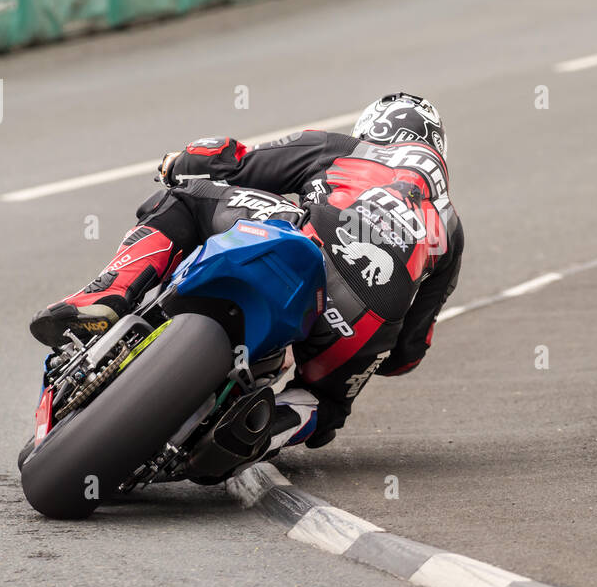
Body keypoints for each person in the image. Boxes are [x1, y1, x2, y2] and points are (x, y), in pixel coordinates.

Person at [29, 93, 465, 457]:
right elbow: (408, 354)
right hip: (366, 323)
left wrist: (181, 162)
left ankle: (109, 294)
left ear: (374, 129)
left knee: (185, 199)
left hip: (312, 247)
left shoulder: (348, 149)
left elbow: (230, 161)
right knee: (328, 405)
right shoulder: (449, 226)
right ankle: (259, 430)